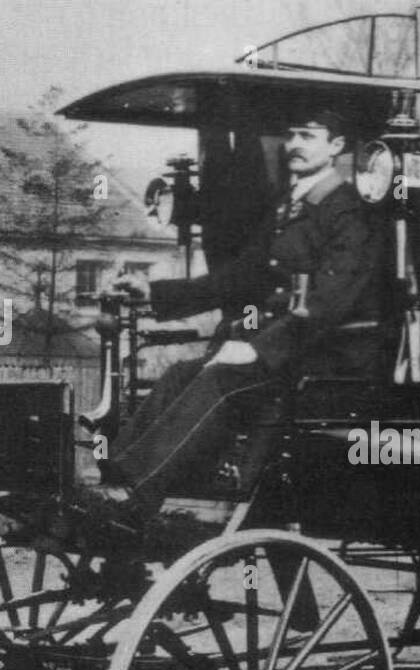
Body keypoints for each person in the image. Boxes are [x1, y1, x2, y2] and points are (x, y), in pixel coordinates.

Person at [77, 107, 388, 527]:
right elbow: (239, 278)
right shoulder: (290, 208)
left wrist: (260, 349)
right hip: (283, 351)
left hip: (325, 355)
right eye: (291, 134)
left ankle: (135, 491)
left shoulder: (348, 212)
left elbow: (331, 302)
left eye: (308, 136)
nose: (295, 144)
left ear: (336, 147)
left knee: (220, 378)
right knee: (179, 375)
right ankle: (115, 481)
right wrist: (152, 290)